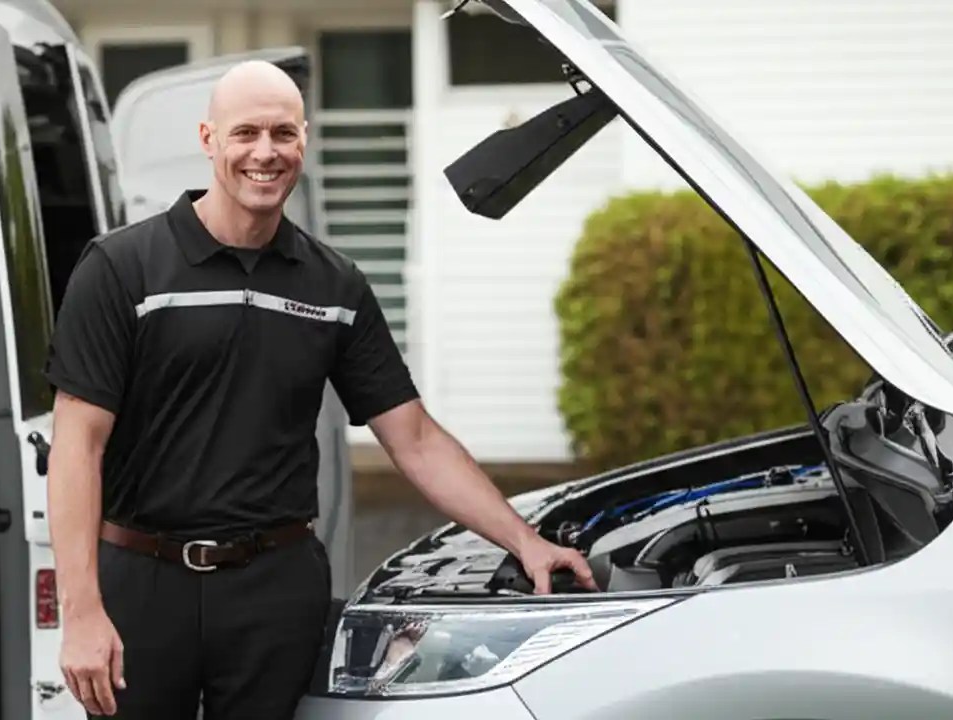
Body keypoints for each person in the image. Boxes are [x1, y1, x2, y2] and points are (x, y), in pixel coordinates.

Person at [42, 60, 596, 720]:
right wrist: (80, 612)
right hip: (142, 582)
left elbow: (414, 438)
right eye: (245, 132)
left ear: (304, 139)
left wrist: (524, 540)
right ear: (208, 138)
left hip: (273, 590)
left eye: (283, 133)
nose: (265, 153)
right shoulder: (122, 268)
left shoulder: (332, 285)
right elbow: (78, 445)